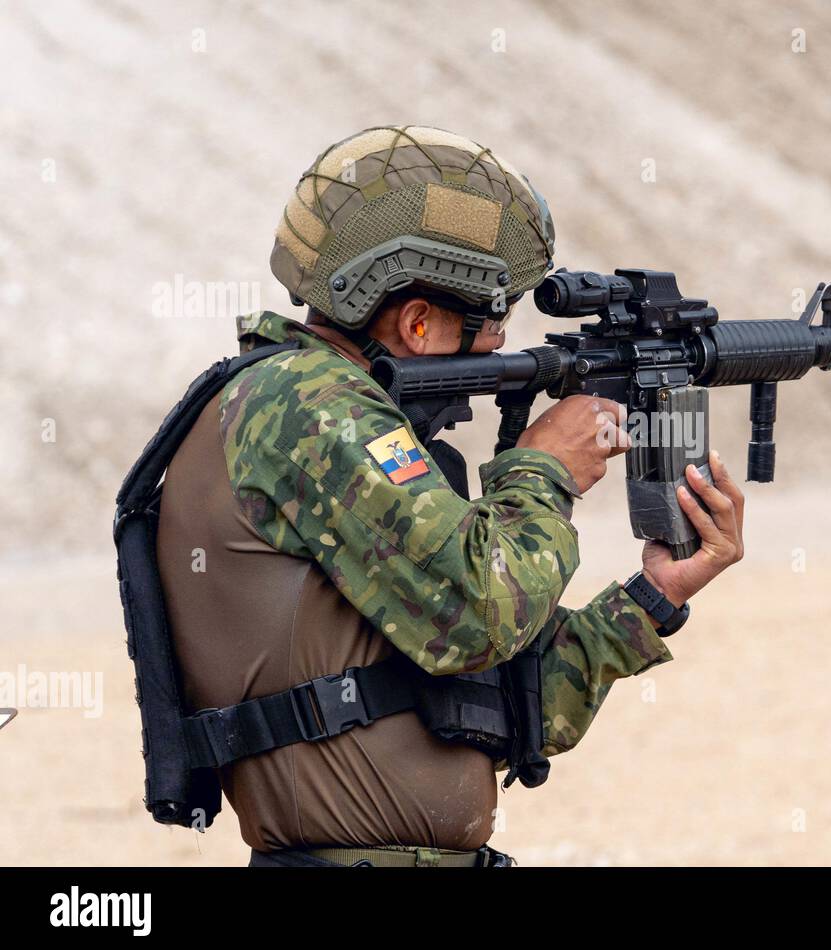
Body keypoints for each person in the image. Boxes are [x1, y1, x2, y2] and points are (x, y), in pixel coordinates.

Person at [155, 126, 745, 867]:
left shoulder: (302, 404)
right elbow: (476, 618)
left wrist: (654, 597)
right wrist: (541, 471)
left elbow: (492, 705)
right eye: (492, 322)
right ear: (417, 322)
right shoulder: (310, 405)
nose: (502, 346)